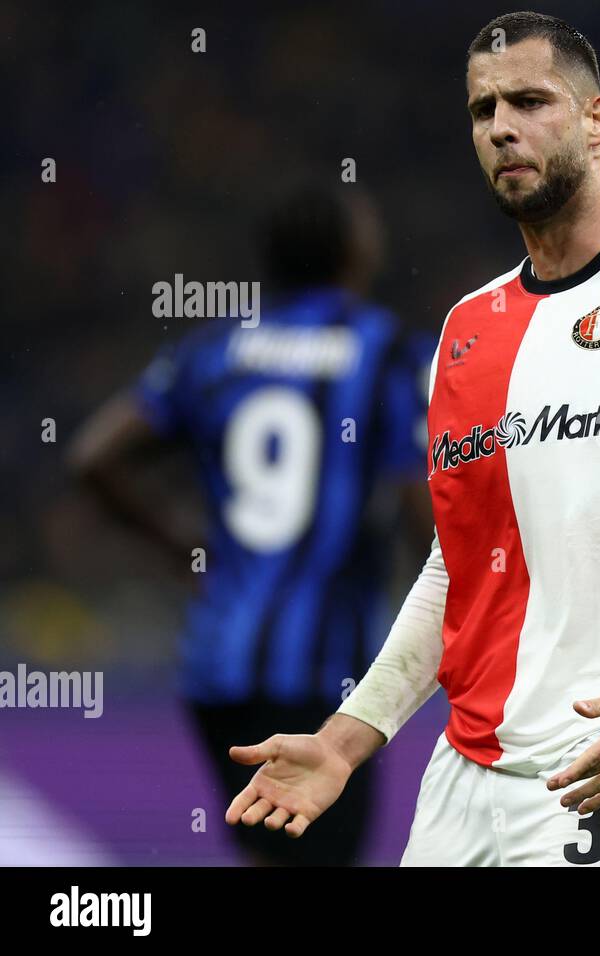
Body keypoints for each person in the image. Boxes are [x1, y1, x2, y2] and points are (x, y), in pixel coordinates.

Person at [225, 11, 600, 867]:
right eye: (483, 111)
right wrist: (346, 739)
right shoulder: (464, 330)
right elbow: (454, 563)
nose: (502, 128)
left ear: (598, 121)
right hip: (464, 775)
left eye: (530, 101)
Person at [69, 185, 435, 865]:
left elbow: (94, 457)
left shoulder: (214, 352)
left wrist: (183, 548)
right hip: (324, 669)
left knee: (272, 852)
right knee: (318, 856)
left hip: (217, 663)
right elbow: (425, 513)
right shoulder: (383, 354)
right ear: (355, 253)